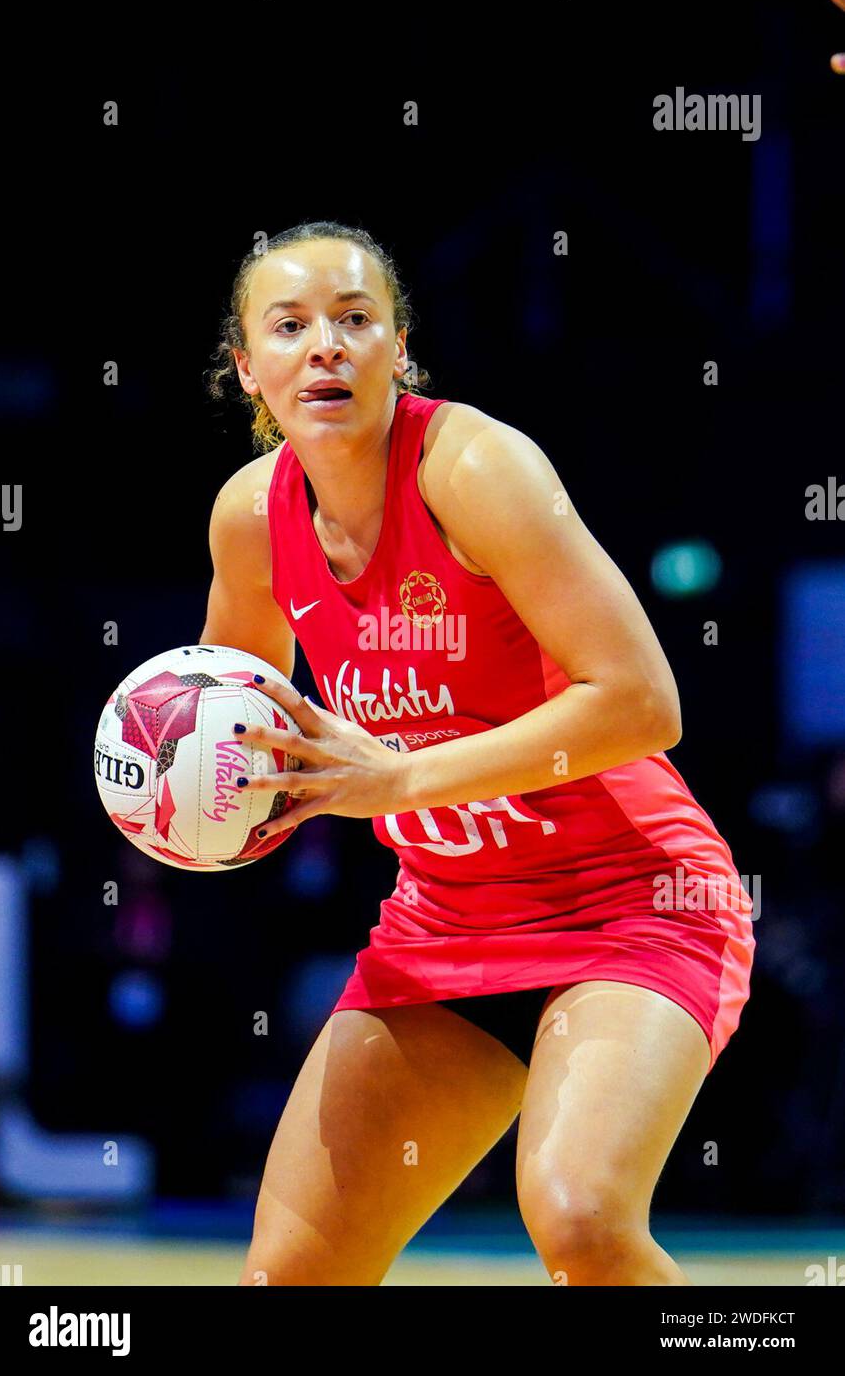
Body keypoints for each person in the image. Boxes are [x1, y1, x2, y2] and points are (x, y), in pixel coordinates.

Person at [202, 221, 755, 1286]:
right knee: (289, 1275)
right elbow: (235, 732)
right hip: (448, 920)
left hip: (633, 898)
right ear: (247, 368)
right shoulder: (249, 519)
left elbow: (641, 700)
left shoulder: (473, 464)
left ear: (398, 349)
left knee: (580, 1218)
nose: (327, 346)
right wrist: (190, 806)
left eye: (357, 321)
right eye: (291, 325)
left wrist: (396, 777)